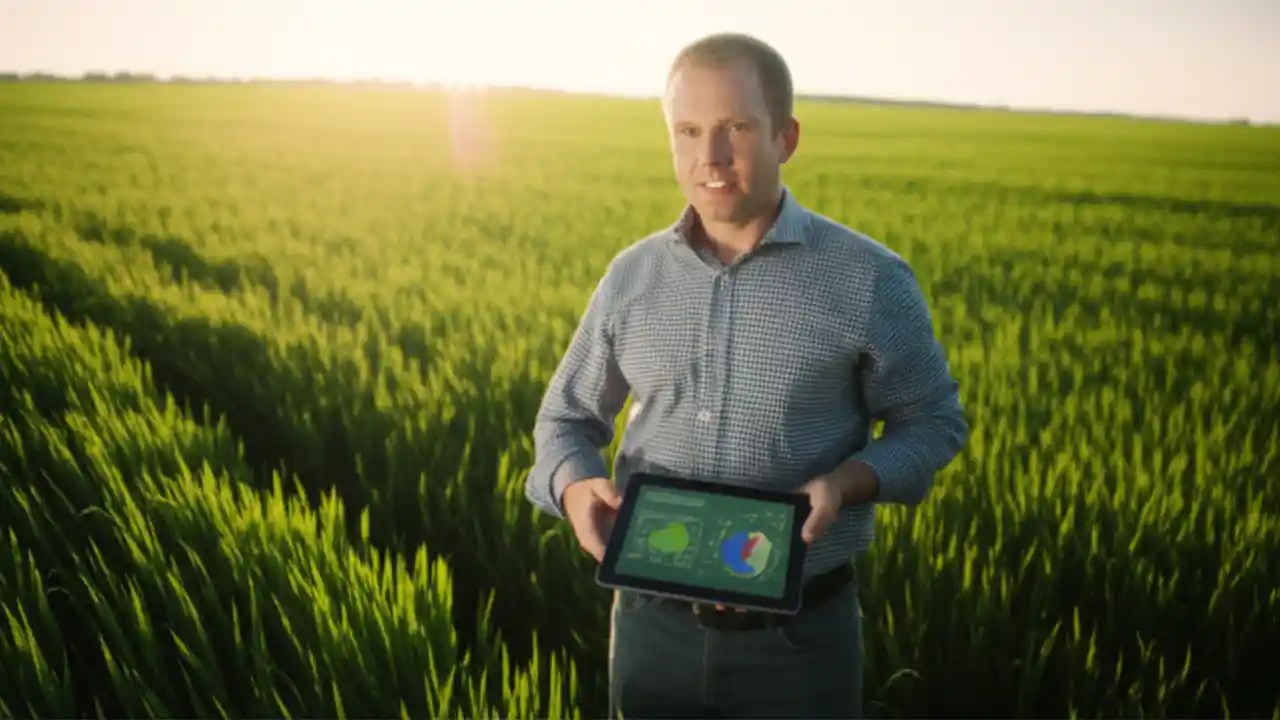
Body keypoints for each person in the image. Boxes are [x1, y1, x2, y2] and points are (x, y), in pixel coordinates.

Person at [524, 31, 968, 719]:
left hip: (797, 645)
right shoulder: (632, 276)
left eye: (735, 127)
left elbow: (933, 421)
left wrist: (843, 484)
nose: (711, 158)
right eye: (689, 130)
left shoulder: (868, 279)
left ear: (785, 136)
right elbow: (566, 418)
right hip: (649, 631)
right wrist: (575, 486)